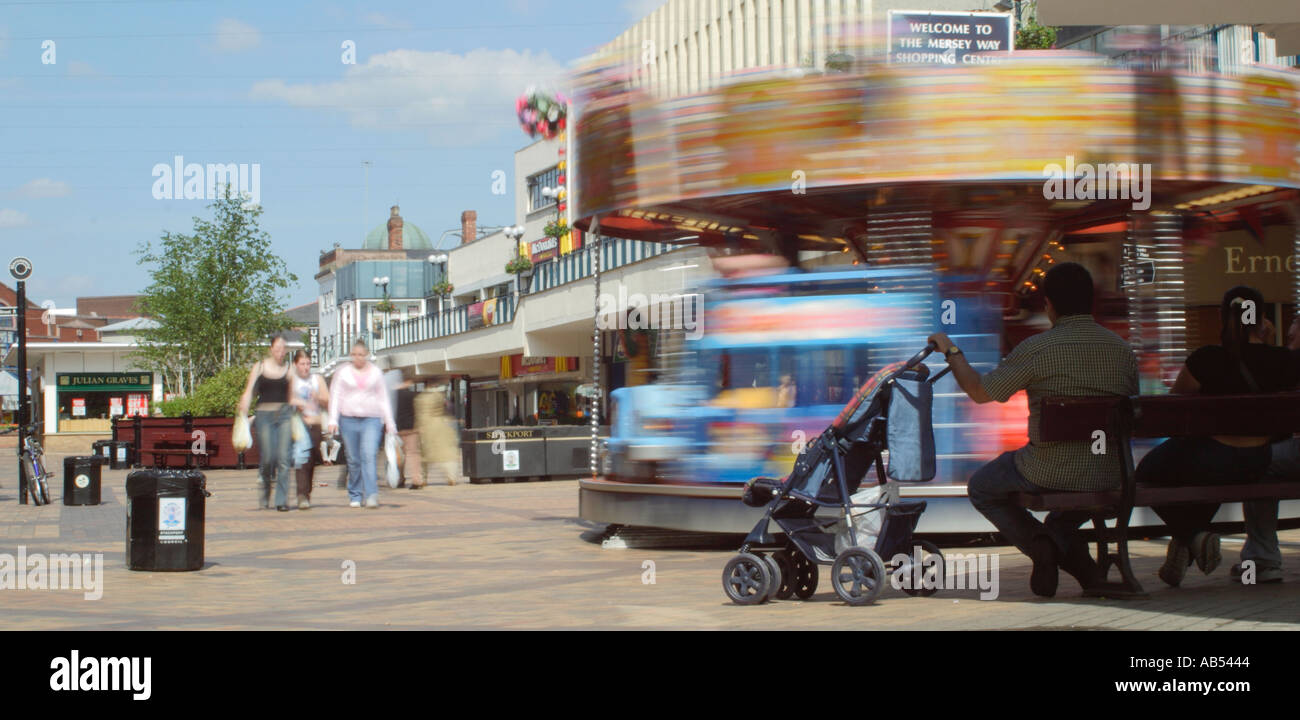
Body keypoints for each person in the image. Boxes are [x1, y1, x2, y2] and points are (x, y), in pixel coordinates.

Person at [928, 262, 1139, 597]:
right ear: (1091, 303)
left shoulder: (1038, 349)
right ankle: (1076, 561)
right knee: (1066, 514)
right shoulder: (1122, 350)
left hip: (1047, 471)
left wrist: (952, 351)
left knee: (982, 487)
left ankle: (1040, 543)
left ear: (1049, 305)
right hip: (1110, 472)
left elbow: (981, 393)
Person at [1137, 287, 1299, 587]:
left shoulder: (1206, 359)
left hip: (1213, 459)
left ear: (1223, 319)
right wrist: (1267, 344)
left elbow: (1172, 411)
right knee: (1205, 472)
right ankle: (1189, 541)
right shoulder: (1284, 361)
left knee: (1146, 473)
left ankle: (1193, 536)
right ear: (1261, 320)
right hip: (1259, 461)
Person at [327, 339, 397, 508]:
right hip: (348, 419)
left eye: (361, 355)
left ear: (367, 355)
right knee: (353, 459)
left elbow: (383, 398)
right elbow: (335, 395)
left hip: (371, 419)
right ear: (351, 355)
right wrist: (333, 419)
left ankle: (372, 494)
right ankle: (355, 494)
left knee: (369, 455)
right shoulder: (342, 372)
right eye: (354, 354)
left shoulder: (376, 373)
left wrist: (389, 422)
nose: (357, 358)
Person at [237, 335, 296, 511]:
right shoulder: (259, 367)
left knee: (284, 458)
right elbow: (249, 391)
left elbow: (293, 395)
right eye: (277, 348)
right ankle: (264, 490)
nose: (280, 352)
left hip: (284, 415)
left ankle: (281, 501)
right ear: (271, 349)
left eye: (283, 349)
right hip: (264, 415)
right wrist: (244, 408)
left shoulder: (289, 369)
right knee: (269, 457)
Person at [289, 349, 329, 510]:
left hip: (315, 423)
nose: (305, 367)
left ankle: (306, 492)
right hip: (299, 424)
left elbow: (327, 399)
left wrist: (317, 397)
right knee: (302, 458)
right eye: (302, 364)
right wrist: (296, 404)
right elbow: (287, 399)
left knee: (311, 460)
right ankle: (302, 495)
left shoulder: (317, 379)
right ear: (295, 365)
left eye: (308, 363)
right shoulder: (292, 380)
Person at [414, 377, 461, 486]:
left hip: (426, 427)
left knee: (425, 455)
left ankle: (423, 478)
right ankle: (451, 477)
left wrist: (419, 427)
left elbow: (421, 415)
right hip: (441, 426)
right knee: (447, 453)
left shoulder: (420, 398)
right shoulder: (440, 396)